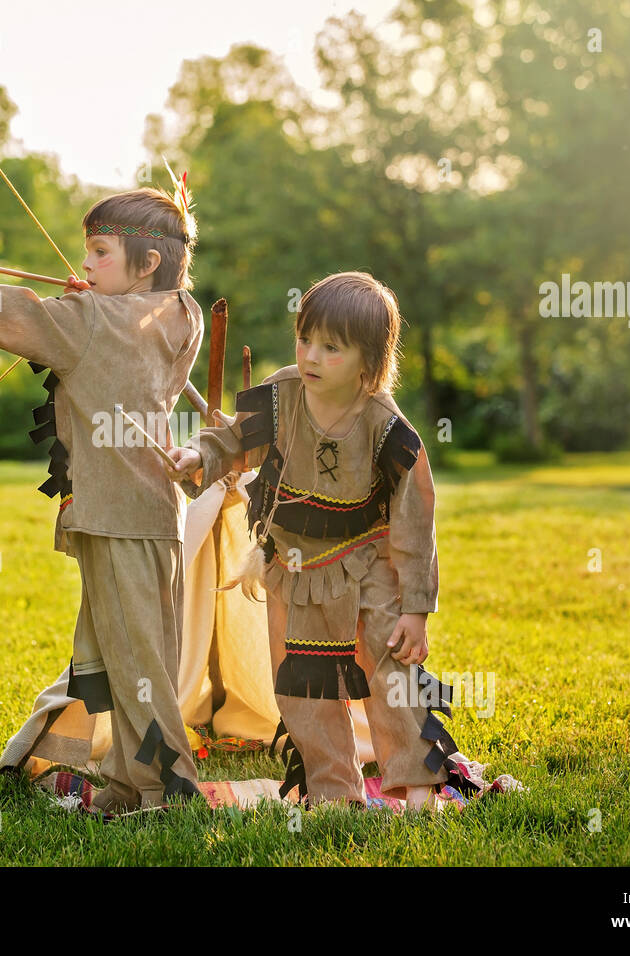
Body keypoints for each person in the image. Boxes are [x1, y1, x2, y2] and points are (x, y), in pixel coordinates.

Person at [0, 181, 205, 814]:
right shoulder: (181, 316)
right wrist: (102, 300)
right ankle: (128, 780)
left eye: (99, 253)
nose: (85, 266)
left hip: (118, 516)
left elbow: (21, 315)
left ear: (146, 264)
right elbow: (123, 325)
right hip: (154, 514)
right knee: (131, 653)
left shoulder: (89, 319)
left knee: (136, 662)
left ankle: (168, 795)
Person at [166, 271, 477, 812]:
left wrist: (415, 609)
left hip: (370, 562)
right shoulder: (283, 395)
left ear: (370, 366)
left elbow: (414, 524)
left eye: (331, 347)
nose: (310, 355)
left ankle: (417, 786)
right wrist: (201, 456)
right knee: (304, 687)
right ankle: (334, 792)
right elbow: (236, 440)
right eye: (305, 338)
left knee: (392, 674)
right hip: (294, 564)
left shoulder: (387, 430)